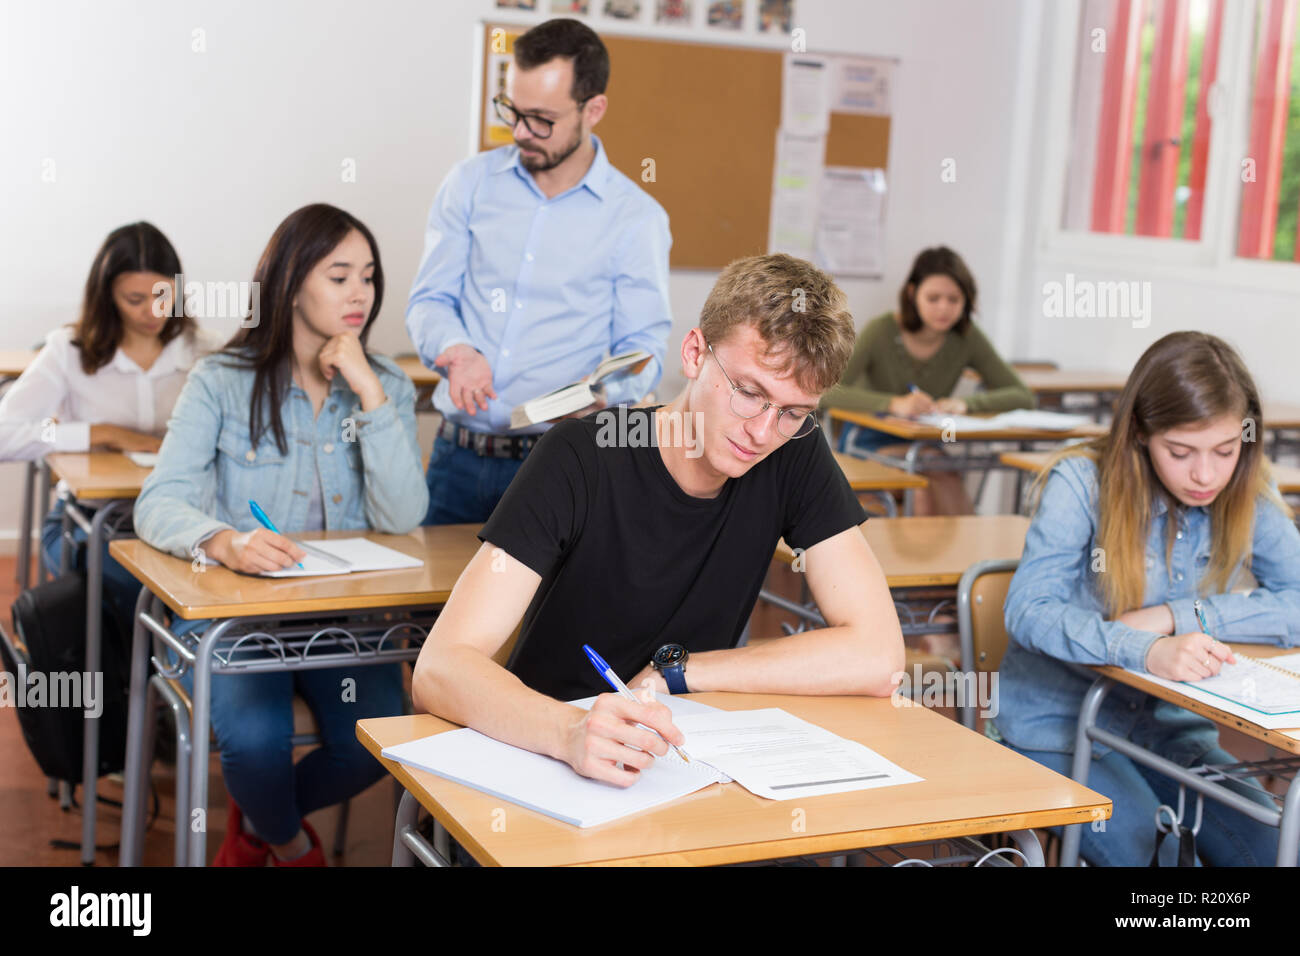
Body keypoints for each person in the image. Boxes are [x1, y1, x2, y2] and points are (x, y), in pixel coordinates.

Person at [411, 254, 904, 789]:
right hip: (546, 758)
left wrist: (679, 673)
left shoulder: (795, 454)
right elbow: (440, 667)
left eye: (792, 412)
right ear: (695, 354)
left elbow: (878, 655)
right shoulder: (581, 455)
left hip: (679, 761)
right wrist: (571, 731)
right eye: (749, 392)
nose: (763, 432)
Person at [133, 204, 428, 866]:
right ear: (293, 283)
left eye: (370, 278)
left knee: (376, 739)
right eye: (340, 276)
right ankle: (293, 846)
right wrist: (223, 542)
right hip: (240, 621)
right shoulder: (221, 381)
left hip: (345, 620)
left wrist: (369, 394)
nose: (361, 294)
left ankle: (260, 822)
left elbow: (403, 516)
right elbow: (160, 500)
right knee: (257, 743)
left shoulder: (383, 385)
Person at [994, 331, 1300, 866]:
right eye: (1180, 452)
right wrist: (1143, 649)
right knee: (1152, 860)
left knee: (1276, 851)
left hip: (1168, 726)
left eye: (1225, 451)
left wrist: (1177, 617)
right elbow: (1027, 610)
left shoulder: (1244, 493)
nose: (1205, 475)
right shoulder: (1081, 484)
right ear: (1139, 432)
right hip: (1058, 725)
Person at [406, 17, 672, 525]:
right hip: (457, 458)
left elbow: (644, 350)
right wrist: (458, 352)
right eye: (513, 111)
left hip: (563, 464)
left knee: (553, 607)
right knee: (433, 606)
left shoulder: (636, 219)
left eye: (542, 119)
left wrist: (601, 398)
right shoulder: (469, 184)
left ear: (593, 109)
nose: (522, 132)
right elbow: (429, 300)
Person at [0, 221, 222, 637]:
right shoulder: (70, 350)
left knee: (200, 585)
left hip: (186, 520)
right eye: (134, 299)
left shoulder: (203, 350)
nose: (151, 312)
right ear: (107, 297)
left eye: (162, 297)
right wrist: (99, 433)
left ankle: (168, 688)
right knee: (128, 582)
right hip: (87, 521)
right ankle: (129, 693)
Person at [820, 246, 1033, 515]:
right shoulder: (881, 330)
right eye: (933, 298)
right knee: (925, 479)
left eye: (954, 300)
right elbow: (826, 392)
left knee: (937, 473)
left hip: (920, 443)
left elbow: (1022, 394)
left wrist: (965, 404)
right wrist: (894, 403)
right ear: (912, 294)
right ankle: (960, 556)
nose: (943, 308)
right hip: (865, 441)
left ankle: (966, 555)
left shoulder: (966, 338)